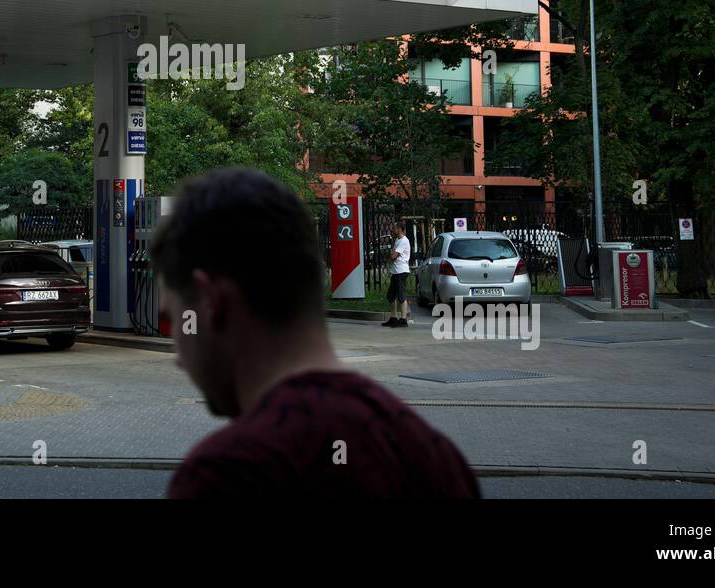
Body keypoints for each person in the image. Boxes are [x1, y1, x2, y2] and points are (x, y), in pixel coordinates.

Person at [151, 167, 479, 499]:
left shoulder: (223, 475)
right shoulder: (437, 459)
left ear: (211, 302)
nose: (178, 357)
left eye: (175, 318)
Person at [383, 222, 412, 328]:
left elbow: (393, 256)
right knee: (391, 295)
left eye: (394, 228)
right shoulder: (397, 240)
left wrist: (392, 254)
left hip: (401, 271)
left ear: (400, 229)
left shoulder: (404, 241)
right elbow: (392, 254)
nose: (392, 230)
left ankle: (403, 319)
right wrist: (392, 254)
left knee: (401, 295)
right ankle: (393, 318)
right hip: (395, 271)